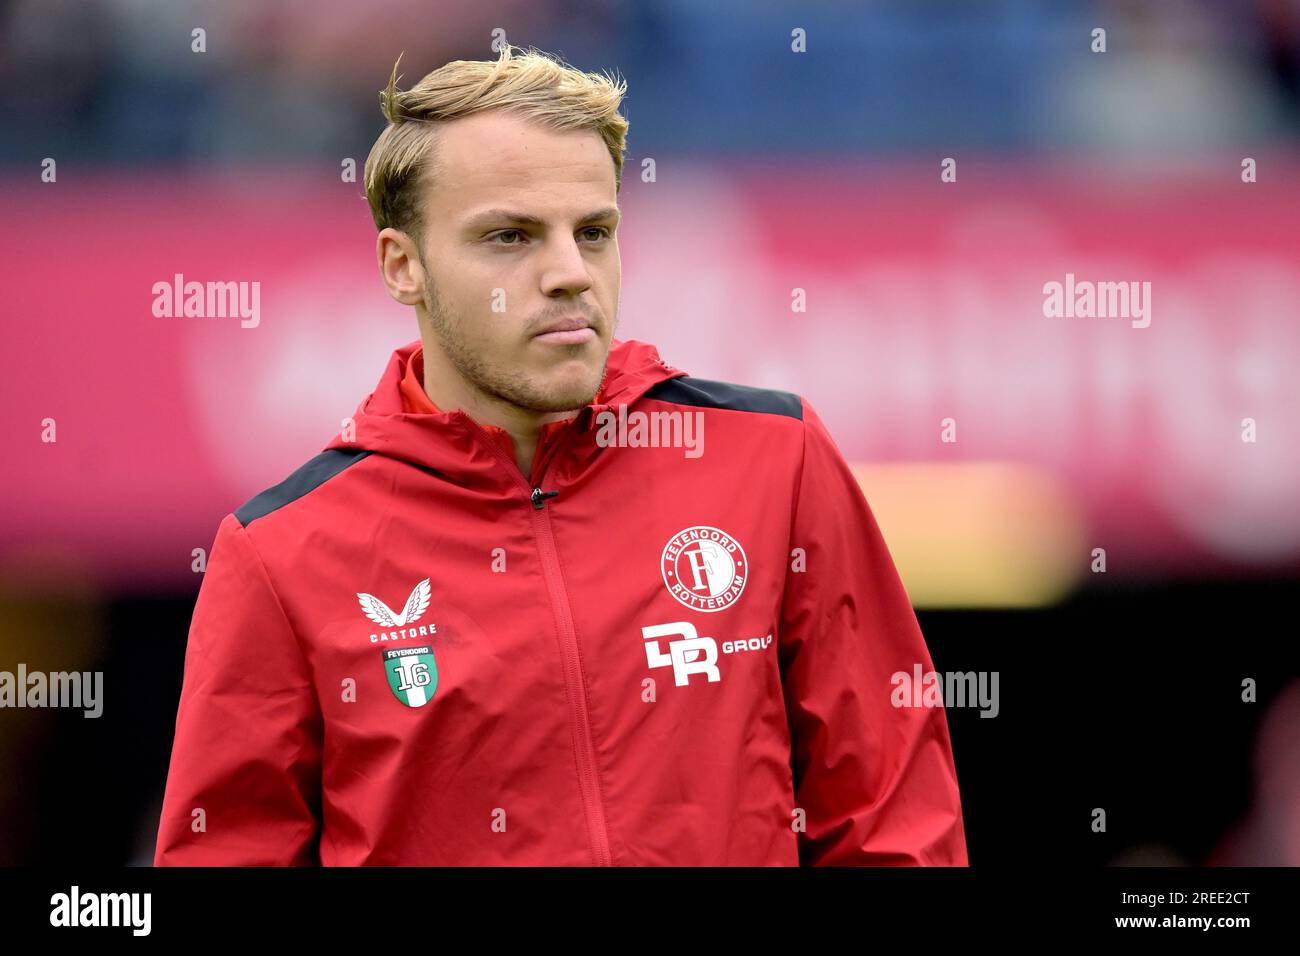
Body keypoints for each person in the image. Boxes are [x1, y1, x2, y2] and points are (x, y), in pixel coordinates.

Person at [153, 44, 968, 866]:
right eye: (510, 236)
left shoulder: (773, 457)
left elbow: (893, 818)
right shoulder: (280, 552)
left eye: (594, 231)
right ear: (404, 266)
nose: (571, 273)